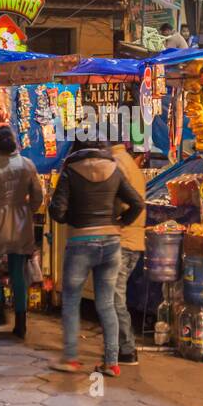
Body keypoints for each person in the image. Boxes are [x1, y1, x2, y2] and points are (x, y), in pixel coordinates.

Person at [48, 136, 145, 376]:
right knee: (106, 303)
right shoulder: (114, 169)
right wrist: (120, 223)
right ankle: (111, 362)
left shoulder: (70, 172)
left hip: (81, 241)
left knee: (71, 301)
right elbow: (137, 203)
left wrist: (77, 220)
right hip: (111, 242)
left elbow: (57, 210)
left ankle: (71, 358)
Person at [0, 125, 43, 338]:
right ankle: (21, 323)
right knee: (18, 272)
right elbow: (37, 197)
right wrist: (26, 211)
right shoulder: (27, 165)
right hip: (22, 221)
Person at [110, 139, 147, 366]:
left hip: (124, 240)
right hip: (132, 239)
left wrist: (118, 222)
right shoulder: (127, 162)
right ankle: (116, 347)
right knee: (114, 295)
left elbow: (128, 202)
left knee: (114, 297)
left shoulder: (117, 163)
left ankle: (126, 348)